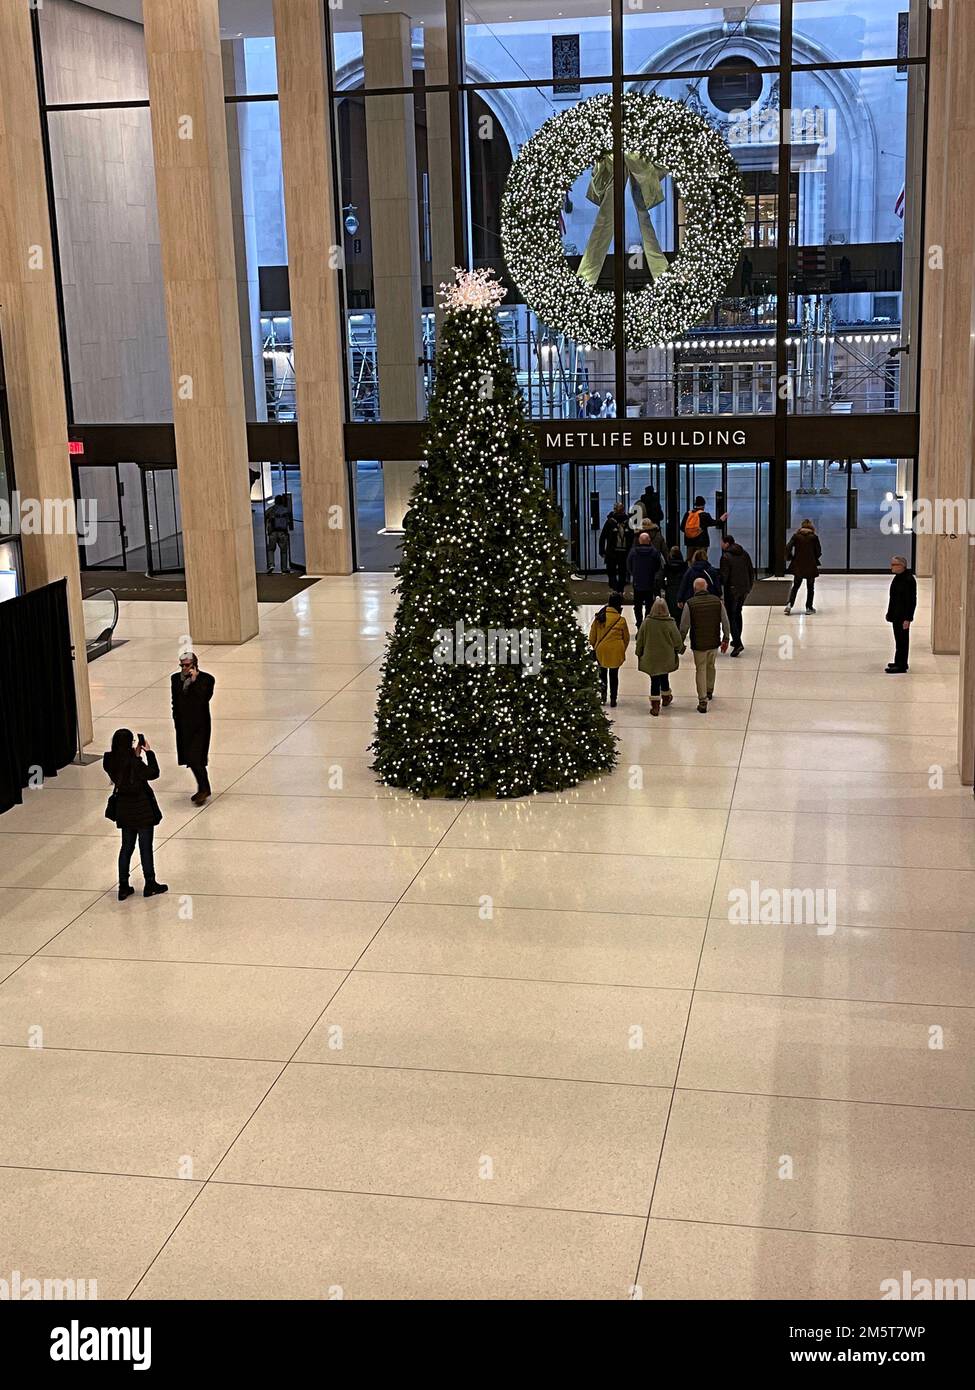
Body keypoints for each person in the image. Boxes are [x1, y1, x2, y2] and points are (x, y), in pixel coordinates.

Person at [103, 729, 168, 901]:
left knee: (126, 847)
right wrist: (149, 753)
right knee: (145, 848)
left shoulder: (109, 761)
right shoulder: (135, 763)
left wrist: (135, 755)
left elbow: (124, 769)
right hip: (142, 810)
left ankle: (123, 886)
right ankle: (150, 883)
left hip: (124, 811)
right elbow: (153, 773)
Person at [680, 577, 731, 714]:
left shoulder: (690, 604)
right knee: (711, 665)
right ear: (706, 587)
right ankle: (709, 690)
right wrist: (726, 638)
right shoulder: (717, 601)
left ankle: (702, 700)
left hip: (698, 644)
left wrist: (679, 643)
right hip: (714, 641)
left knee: (700, 669)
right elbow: (725, 621)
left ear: (694, 589)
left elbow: (684, 626)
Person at [171, 652, 216, 805]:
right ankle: (204, 787)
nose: (184, 668)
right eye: (182, 665)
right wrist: (176, 719)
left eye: (187, 665)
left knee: (196, 757)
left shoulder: (207, 680)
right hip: (183, 725)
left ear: (194, 665)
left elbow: (203, 699)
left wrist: (194, 682)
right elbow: (175, 701)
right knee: (190, 758)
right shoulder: (175, 679)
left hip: (200, 725)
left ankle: (204, 789)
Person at [635, 596, 685, 716]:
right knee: (664, 676)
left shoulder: (647, 622)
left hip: (651, 657)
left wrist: (639, 652)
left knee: (654, 680)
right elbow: (677, 639)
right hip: (666, 657)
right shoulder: (670, 623)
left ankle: (655, 705)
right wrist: (680, 649)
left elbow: (640, 639)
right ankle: (666, 697)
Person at [588, 593, 629, 708]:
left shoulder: (599, 618)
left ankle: (603, 696)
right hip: (616, 650)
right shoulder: (621, 620)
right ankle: (613, 699)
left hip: (601, 650)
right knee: (614, 675)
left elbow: (592, 636)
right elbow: (626, 638)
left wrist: (595, 646)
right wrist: (622, 648)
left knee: (602, 674)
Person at [720, 534, 755, 657]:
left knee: (731, 616)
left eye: (722, 542)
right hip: (744, 589)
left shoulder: (725, 557)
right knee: (738, 613)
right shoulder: (744, 553)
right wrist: (749, 586)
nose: (720, 544)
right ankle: (736, 639)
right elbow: (751, 571)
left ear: (727, 543)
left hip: (732, 590)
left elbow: (724, 577)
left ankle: (738, 643)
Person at [885, 554, 917, 673]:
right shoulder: (898, 577)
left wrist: (908, 618)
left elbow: (911, 601)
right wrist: (890, 613)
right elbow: (893, 598)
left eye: (894, 565)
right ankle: (899, 661)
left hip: (903, 616)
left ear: (902, 566)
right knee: (899, 640)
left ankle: (901, 665)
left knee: (902, 640)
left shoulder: (908, 580)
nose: (891, 567)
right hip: (896, 614)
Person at [784, 518, 822, 614]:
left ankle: (789, 604)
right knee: (810, 587)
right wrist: (814, 558)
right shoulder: (814, 537)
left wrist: (790, 557)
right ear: (811, 527)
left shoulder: (796, 537)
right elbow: (818, 551)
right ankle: (809, 608)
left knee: (796, 586)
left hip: (798, 565)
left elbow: (788, 547)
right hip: (810, 565)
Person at [627, 531, 664, 627]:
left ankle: (639, 624)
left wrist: (634, 574)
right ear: (649, 540)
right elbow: (658, 566)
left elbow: (629, 565)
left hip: (637, 583)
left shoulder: (633, 552)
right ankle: (647, 624)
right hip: (650, 582)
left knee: (637, 606)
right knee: (649, 605)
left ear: (639, 541)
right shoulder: (654, 552)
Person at [680, 494, 727, 559]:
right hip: (702, 542)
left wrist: (691, 532)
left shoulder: (688, 514)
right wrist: (721, 520)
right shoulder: (704, 515)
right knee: (701, 559)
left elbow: (682, 528)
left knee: (690, 560)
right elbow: (713, 522)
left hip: (689, 542)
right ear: (703, 505)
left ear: (695, 504)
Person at [598, 502, 632, 591]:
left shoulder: (627, 521)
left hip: (620, 552)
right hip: (615, 552)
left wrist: (602, 551)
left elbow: (602, 537)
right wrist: (602, 550)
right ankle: (617, 589)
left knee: (620, 572)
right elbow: (603, 537)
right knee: (615, 572)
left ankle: (618, 589)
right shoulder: (611, 522)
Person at [265, 494, 293, 574]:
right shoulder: (286, 510)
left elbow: (265, 515)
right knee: (284, 551)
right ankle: (284, 568)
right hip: (283, 533)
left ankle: (271, 565)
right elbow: (289, 521)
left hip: (273, 532)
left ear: (275, 501)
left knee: (271, 549)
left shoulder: (271, 509)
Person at [662, 546, 688, 623]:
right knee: (680, 614)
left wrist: (665, 587)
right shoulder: (684, 566)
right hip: (681, 590)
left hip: (670, 590)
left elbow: (662, 579)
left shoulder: (667, 566)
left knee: (672, 613)